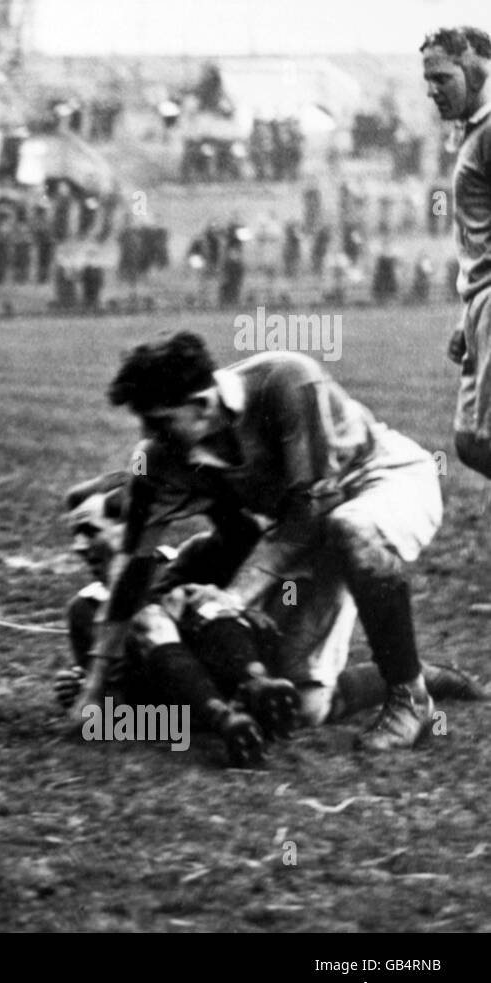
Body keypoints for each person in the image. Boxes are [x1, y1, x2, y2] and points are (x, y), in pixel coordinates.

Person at [68, 332, 445, 753]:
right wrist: (98, 681)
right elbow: (132, 568)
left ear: (203, 405)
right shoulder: (158, 458)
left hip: (378, 477)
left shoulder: (287, 379)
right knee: (301, 704)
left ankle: (410, 694)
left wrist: (235, 596)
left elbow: (314, 506)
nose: (149, 435)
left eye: (159, 421)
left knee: (351, 527)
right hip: (306, 525)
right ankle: (423, 672)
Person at [59, 471, 484, 765]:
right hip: (191, 709)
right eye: (75, 534)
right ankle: (231, 715)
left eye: (90, 530)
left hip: (256, 669)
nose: (79, 546)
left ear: (133, 525)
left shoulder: (187, 559)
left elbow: (244, 535)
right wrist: (89, 695)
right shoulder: (87, 608)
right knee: (303, 708)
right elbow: (121, 710)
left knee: (305, 702)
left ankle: (423, 675)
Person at [421, 26, 491, 478]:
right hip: (480, 306)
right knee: (473, 442)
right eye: (427, 80)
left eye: (442, 78)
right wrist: (466, 319)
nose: (432, 91)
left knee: (478, 440)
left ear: (475, 65)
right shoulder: (474, 132)